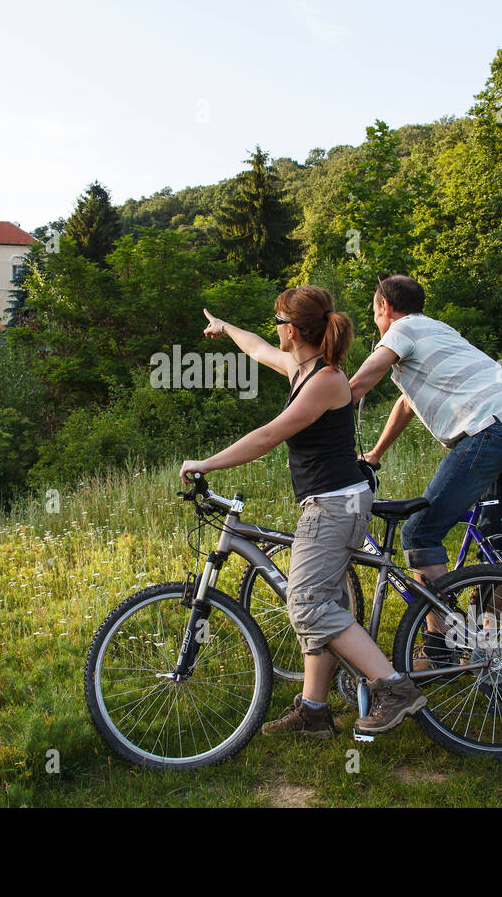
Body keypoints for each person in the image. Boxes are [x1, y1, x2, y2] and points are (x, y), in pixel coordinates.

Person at [179, 286, 427, 738]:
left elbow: (269, 435)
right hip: (330, 502)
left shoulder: (327, 380)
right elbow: (256, 347)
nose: (275, 331)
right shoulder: (302, 367)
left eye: (278, 322)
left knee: (308, 604)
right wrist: (224, 326)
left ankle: (392, 686)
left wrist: (206, 462)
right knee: (322, 602)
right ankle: (314, 711)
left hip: (335, 505)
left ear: (293, 330)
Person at [348, 275, 502, 617]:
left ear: (385, 306)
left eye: (374, 310)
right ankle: (488, 646)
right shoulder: (440, 330)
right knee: (496, 547)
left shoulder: (402, 330)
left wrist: (321, 418)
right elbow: (407, 404)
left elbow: (360, 383)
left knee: (420, 534)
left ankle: (441, 646)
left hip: (491, 432)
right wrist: (376, 454)